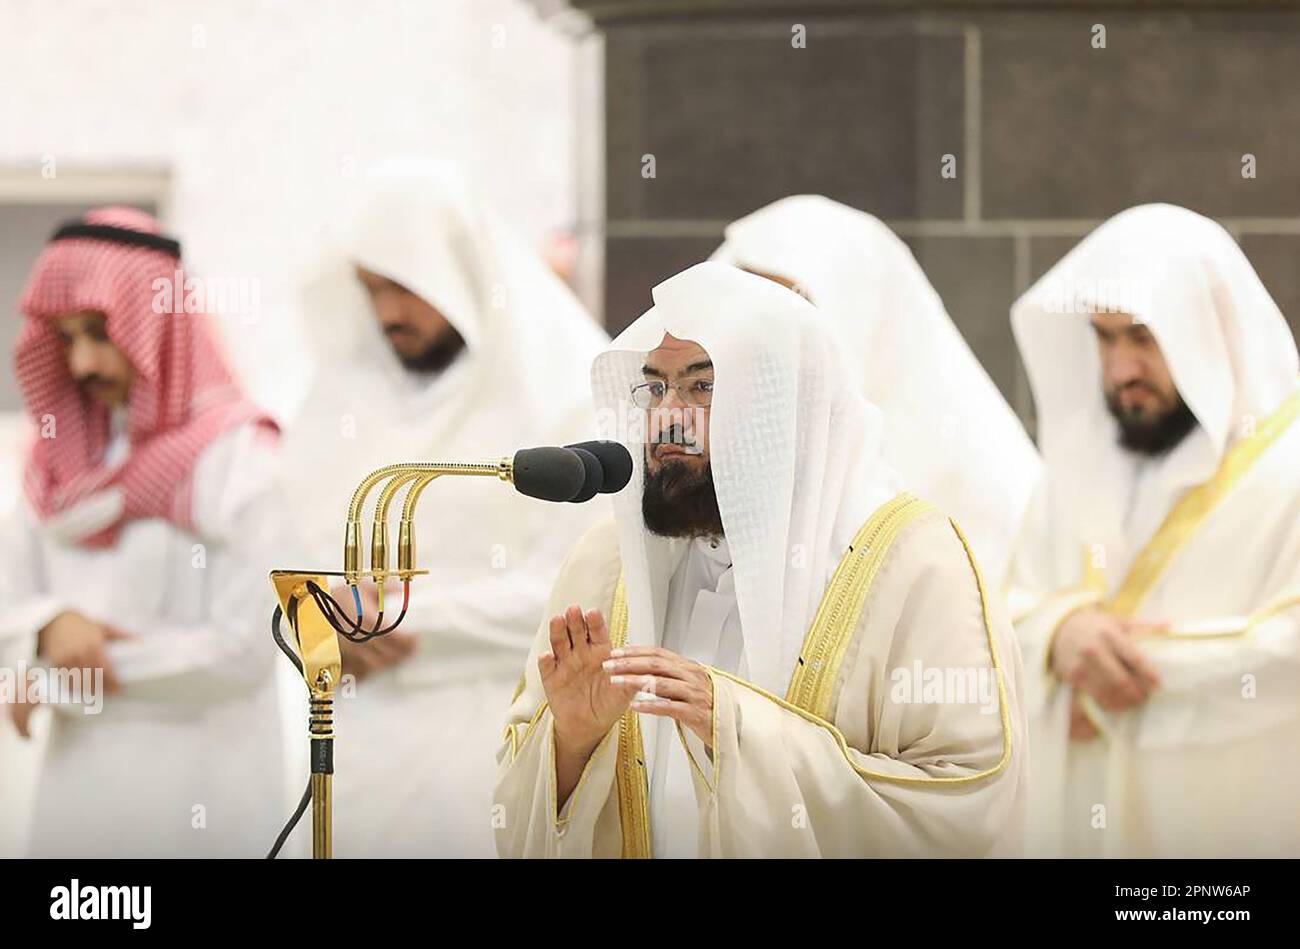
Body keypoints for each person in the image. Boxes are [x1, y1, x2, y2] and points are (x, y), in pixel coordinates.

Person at [494, 262, 1026, 858]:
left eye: (703, 387)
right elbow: (512, 815)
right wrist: (572, 744)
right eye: (657, 387)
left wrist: (736, 728)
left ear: (781, 407)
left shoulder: (916, 564)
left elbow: (969, 808)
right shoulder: (606, 562)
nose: (670, 414)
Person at [280, 157, 609, 857]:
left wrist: (397, 619)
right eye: (371, 290)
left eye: (405, 286)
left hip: (507, 730)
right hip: (358, 743)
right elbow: (287, 557)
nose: (388, 313)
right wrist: (319, 618)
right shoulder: (341, 401)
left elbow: (581, 591)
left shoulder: (563, 394)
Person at [1009, 203, 1300, 857]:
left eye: (1143, 336)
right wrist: (1058, 637)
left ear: (1209, 331)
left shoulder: (1288, 470)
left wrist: (1120, 676)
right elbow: (1002, 610)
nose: (1120, 370)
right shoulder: (1075, 471)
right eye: (1105, 337)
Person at [0, 207, 283, 857]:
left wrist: (56, 675)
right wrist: (48, 625)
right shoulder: (55, 465)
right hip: (80, 798)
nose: (81, 362)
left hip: (207, 794)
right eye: (66, 337)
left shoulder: (237, 458)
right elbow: (9, 595)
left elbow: (244, 650)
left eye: (100, 332)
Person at [711, 194, 1040, 589]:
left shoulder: (986, 472)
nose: (768, 337)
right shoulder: (691, 448)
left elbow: (1003, 617)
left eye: (795, 308)